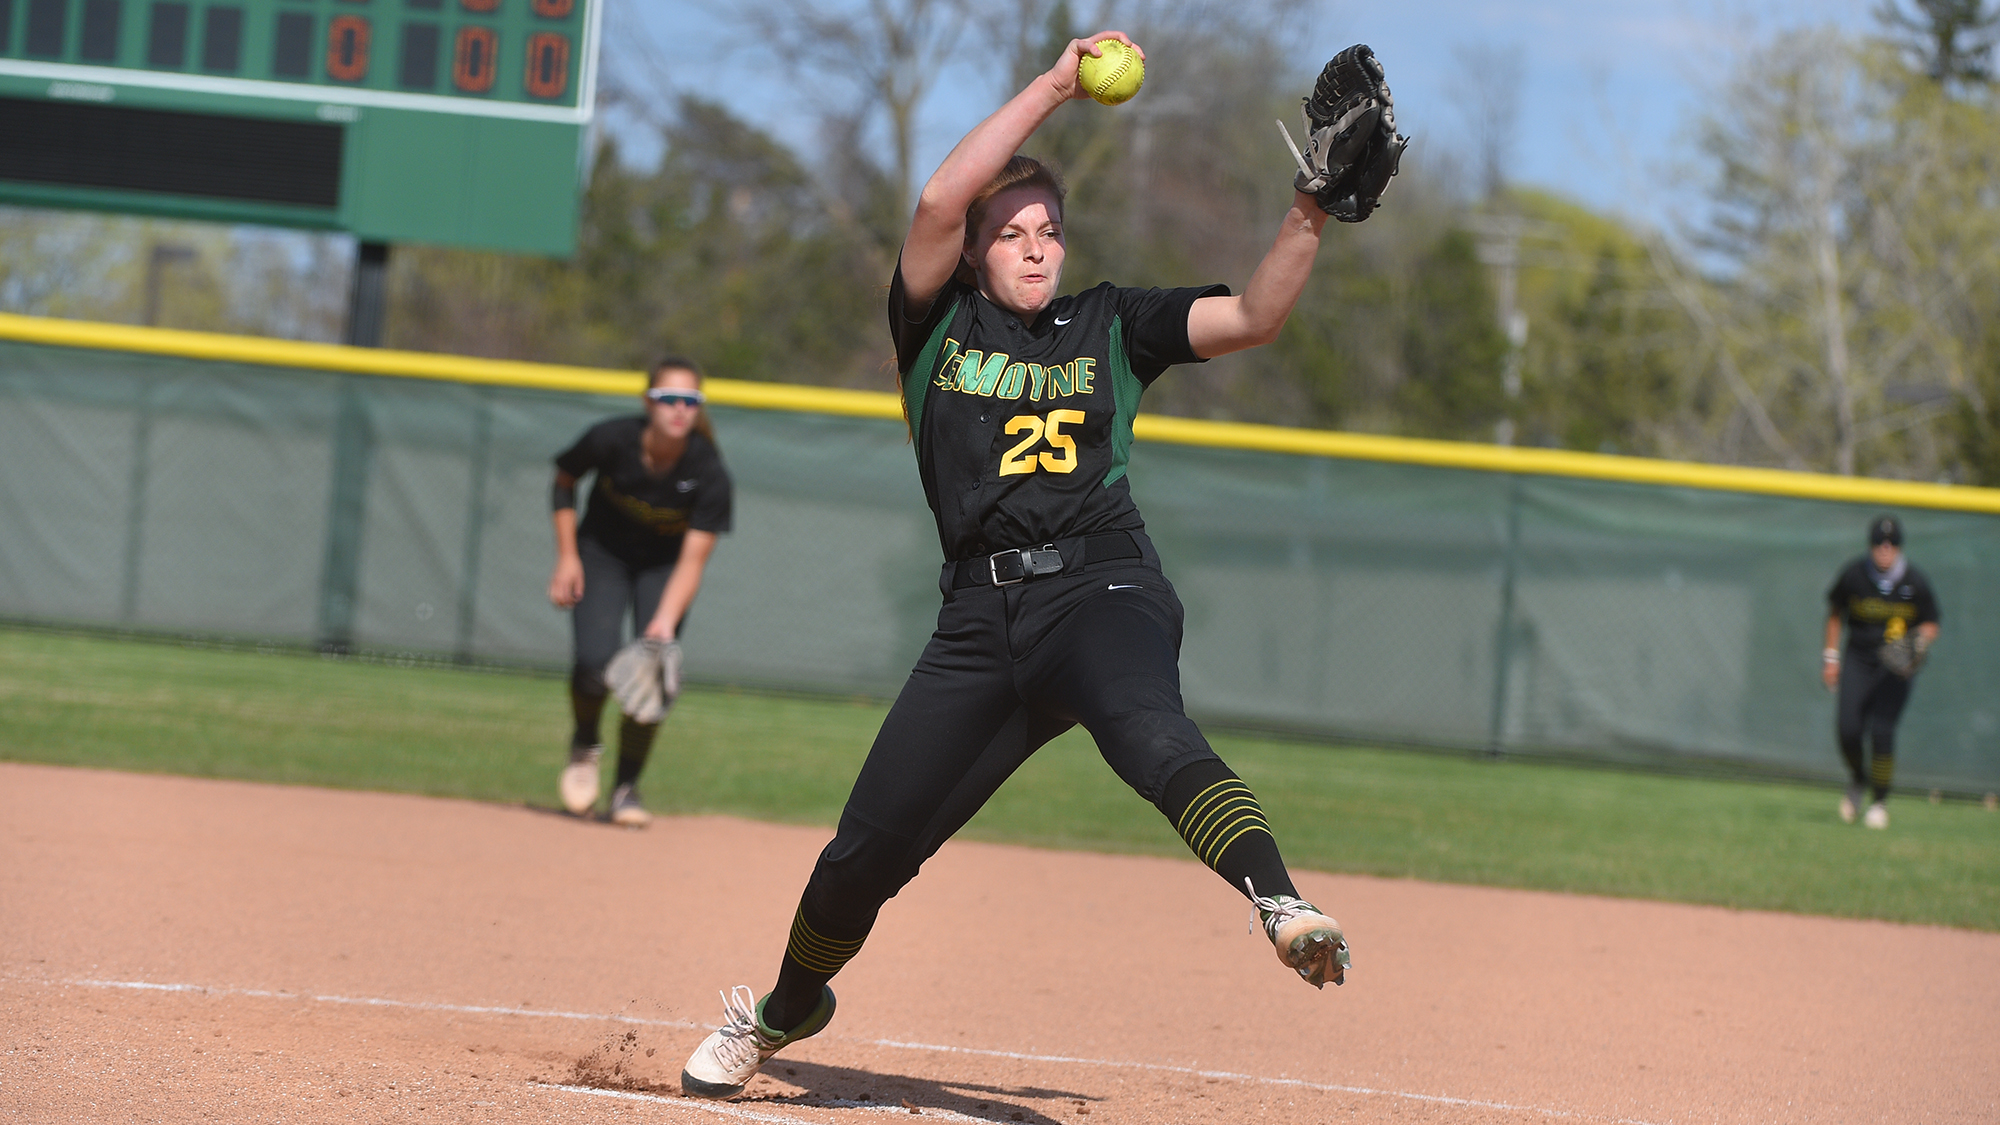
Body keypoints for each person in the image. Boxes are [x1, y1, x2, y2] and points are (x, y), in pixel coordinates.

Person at [682, 31, 1389, 1099]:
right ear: (974, 255)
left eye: (1046, 231)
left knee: (1147, 730)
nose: (1030, 246)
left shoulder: (1108, 323)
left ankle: (1279, 901)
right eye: (1008, 233)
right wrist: (1058, 84)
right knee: (863, 856)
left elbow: (1251, 317)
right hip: (976, 622)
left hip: (1100, 587)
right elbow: (932, 204)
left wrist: (1307, 213)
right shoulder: (933, 328)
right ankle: (783, 1011)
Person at [548, 357, 732, 827]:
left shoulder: (708, 470)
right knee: (593, 663)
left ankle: (627, 787)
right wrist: (567, 556)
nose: (678, 409)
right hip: (602, 555)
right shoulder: (611, 439)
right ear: (648, 402)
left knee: (652, 673)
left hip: (663, 568)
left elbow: (693, 559)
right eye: (668, 398)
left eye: (690, 401)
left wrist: (664, 622)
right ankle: (585, 744)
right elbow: (565, 479)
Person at [1822, 514, 1940, 830]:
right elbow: (1835, 612)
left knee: (1882, 730)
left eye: (1891, 543)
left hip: (1895, 667)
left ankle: (1879, 801)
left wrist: (1920, 641)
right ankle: (1859, 779)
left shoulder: (1913, 581)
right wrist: (1830, 657)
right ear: (1871, 545)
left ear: (1899, 547)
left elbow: (1931, 623)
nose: (1885, 549)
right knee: (1848, 729)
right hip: (1859, 659)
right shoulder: (1855, 575)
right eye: (1879, 543)